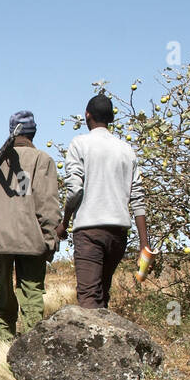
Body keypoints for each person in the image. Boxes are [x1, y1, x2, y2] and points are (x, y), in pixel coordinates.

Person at [58, 93, 150, 309]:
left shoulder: (80, 144)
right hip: (118, 235)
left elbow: (75, 191)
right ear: (111, 118)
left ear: (87, 115)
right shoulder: (126, 150)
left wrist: (64, 223)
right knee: (102, 295)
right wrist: (144, 243)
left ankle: (95, 342)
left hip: (90, 232)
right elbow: (137, 196)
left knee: (89, 299)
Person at [0, 110, 61, 341]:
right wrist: (50, 238)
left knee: (3, 292)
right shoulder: (43, 160)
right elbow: (48, 203)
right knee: (31, 293)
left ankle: (4, 343)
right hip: (31, 238)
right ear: (34, 132)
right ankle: (32, 345)